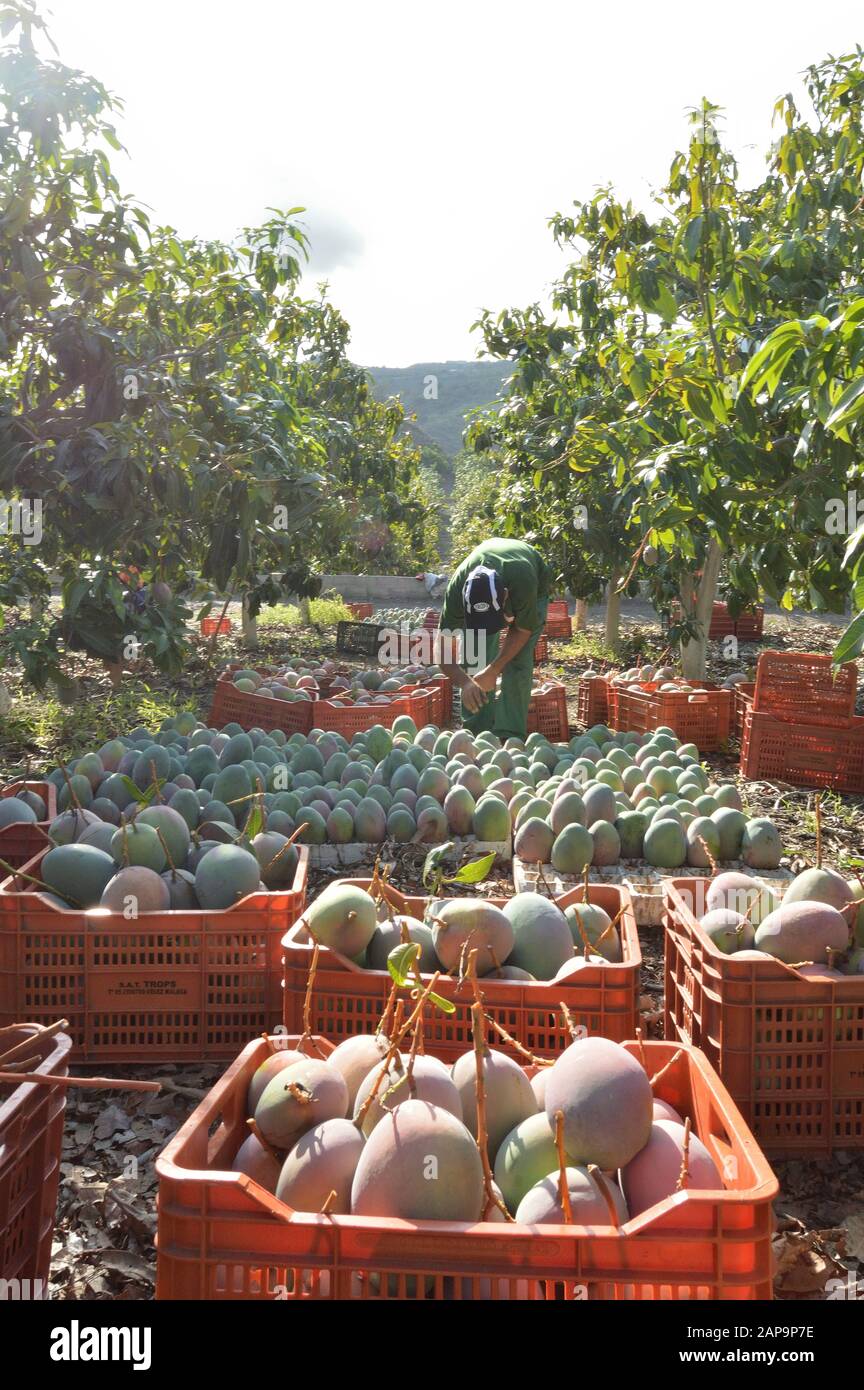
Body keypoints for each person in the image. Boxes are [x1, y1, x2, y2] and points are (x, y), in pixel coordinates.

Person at [438, 538, 551, 740]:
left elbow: (522, 631)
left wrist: (494, 669)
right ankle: (477, 729)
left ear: (506, 596)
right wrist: (465, 683)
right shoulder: (456, 593)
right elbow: (442, 653)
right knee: (475, 655)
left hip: (531, 581)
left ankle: (509, 735)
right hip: (499, 575)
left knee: (518, 660)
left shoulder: (523, 582)